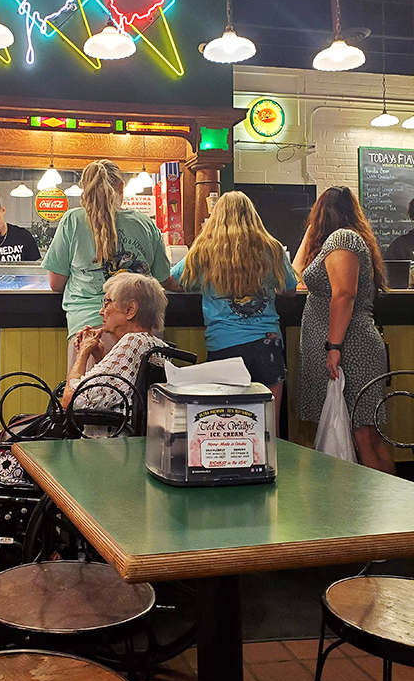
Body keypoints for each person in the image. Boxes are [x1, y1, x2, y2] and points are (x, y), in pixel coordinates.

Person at [0, 272, 168, 616]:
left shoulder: (131, 344)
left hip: (87, 461)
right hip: (114, 453)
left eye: (107, 302)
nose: (101, 310)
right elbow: (108, 399)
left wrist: (82, 356)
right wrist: (98, 357)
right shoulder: (151, 346)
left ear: (131, 310)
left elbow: (73, 402)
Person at [172, 191, 297, 432]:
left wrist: (205, 282)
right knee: (268, 426)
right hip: (267, 344)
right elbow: (290, 289)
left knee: (228, 427)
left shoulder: (205, 250)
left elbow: (173, 281)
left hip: (224, 345)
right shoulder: (272, 248)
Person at [292, 186, 395, 473]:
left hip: (350, 349)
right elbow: (296, 274)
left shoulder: (344, 239)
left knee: (363, 434)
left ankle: (389, 500)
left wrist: (333, 347)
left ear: (322, 213)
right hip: (340, 350)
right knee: (354, 432)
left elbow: (344, 294)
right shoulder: (336, 242)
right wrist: (310, 233)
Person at [42, 159, 177, 369]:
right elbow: (163, 279)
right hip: (142, 331)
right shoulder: (146, 224)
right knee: (141, 390)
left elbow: (56, 283)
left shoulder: (73, 220)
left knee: (87, 388)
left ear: (85, 188)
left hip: (91, 330)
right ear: (121, 186)